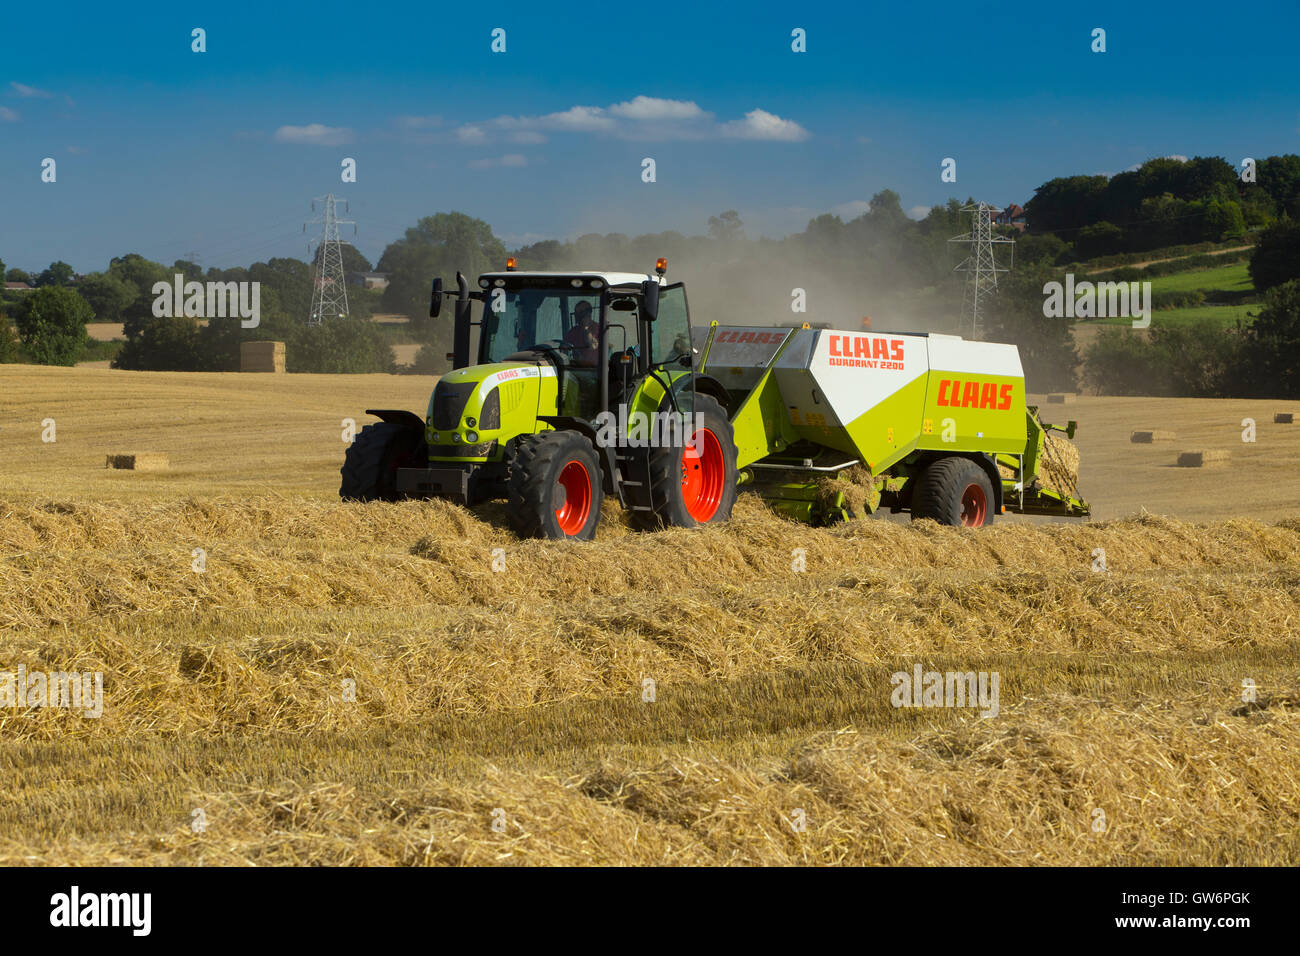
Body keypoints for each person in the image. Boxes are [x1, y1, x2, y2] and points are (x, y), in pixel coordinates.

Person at [563, 300, 599, 366]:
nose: (577, 316)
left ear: (588, 314)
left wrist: (586, 328)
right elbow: (564, 347)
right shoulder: (574, 331)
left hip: (594, 369)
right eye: (576, 313)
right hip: (578, 368)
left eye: (580, 313)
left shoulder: (598, 328)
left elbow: (593, 346)